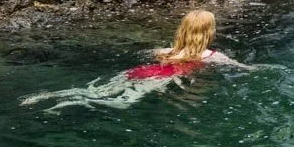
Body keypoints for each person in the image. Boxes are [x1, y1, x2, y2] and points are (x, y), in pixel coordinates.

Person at [20, 9, 254, 112]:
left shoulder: (166, 49)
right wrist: (259, 68)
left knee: (98, 91)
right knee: (121, 103)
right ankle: (64, 104)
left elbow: (151, 55)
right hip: (158, 80)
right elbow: (242, 68)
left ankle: (50, 96)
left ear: (183, 29)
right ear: (209, 33)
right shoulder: (212, 56)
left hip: (140, 71)